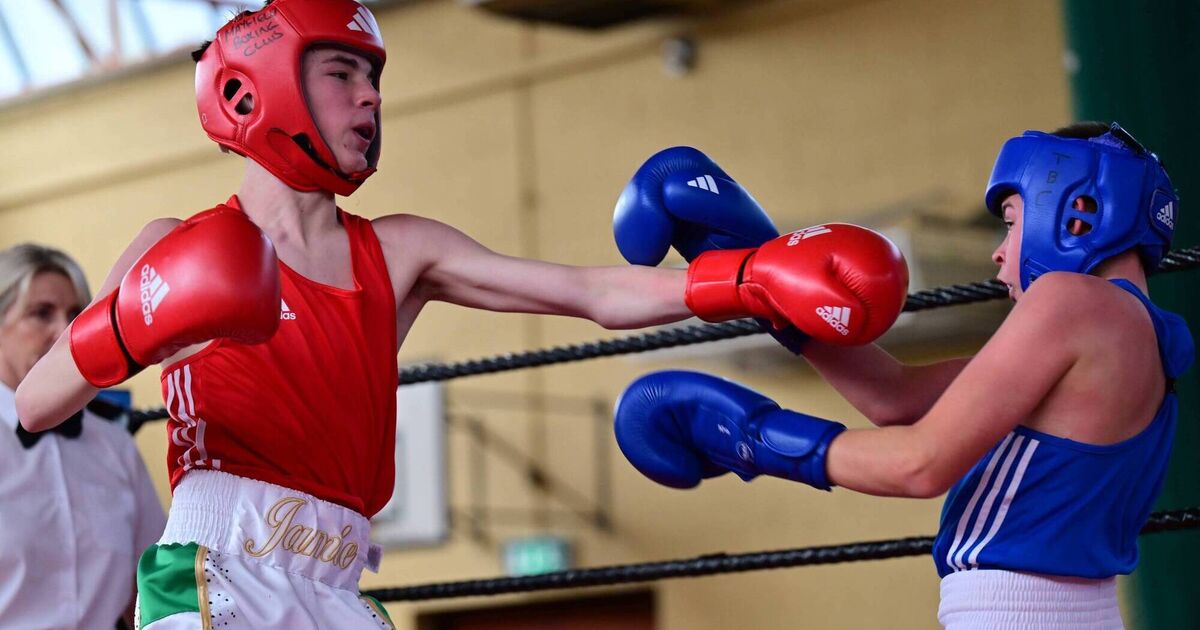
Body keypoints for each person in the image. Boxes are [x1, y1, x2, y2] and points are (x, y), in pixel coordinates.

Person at [14, 1, 907, 628]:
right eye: (341, 72)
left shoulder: (399, 250)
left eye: (373, 78)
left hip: (337, 585)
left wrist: (744, 279)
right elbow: (36, 404)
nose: (369, 97)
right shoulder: (175, 242)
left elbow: (587, 292)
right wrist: (136, 321)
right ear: (254, 91)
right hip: (216, 573)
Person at [612, 122, 1194, 629]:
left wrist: (753, 439)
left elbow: (919, 463)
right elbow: (899, 398)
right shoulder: (1135, 339)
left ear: (1078, 213)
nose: (998, 252)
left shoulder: (1071, 302)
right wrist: (772, 278)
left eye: (1011, 222)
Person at [0, 243, 166, 630]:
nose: (64, 331)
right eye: (41, 313)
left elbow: (150, 585)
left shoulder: (114, 445)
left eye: (76, 315)